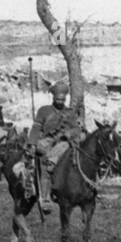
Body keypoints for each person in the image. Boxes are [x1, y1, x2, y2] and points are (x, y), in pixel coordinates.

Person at [28, 81, 79, 209]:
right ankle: (45, 198)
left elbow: (76, 129)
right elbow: (36, 128)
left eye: (62, 99)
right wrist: (32, 143)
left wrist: (69, 133)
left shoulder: (70, 112)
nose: (60, 102)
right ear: (53, 98)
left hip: (64, 143)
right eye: (58, 99)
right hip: (47, 142)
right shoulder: (44, 111)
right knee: (45, 163)